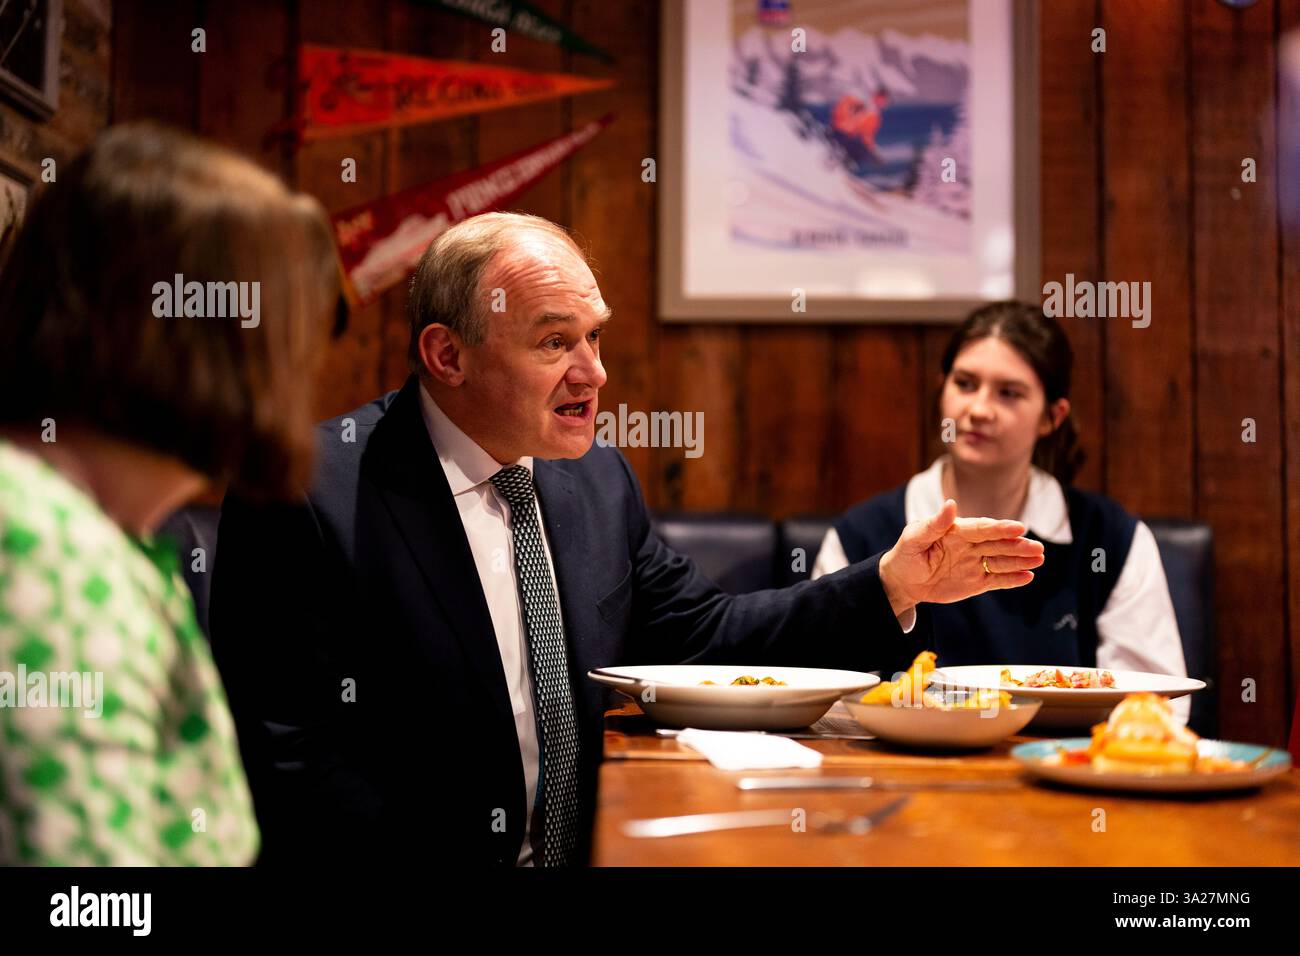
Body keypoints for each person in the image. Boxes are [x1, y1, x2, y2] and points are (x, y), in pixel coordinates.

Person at [209, 212, 1044, 868]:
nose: (594, 373)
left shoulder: (595, 481)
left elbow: (706, 642)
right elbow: (287, 764)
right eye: (554, 342)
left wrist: (892, 584)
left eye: (595, 335)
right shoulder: (309, 489)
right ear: (447, 355)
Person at [0, 123, 339, 864]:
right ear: (206, 344)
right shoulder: (48, 552)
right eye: (294, 333)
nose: (306, 365)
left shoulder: (102, 532)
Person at [814, 301, 1188, 718]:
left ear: (1052, 417)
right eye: (965, 383)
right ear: (942, 388)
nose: (978, 410)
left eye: (1008, 393)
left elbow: (1155, 709)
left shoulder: (1112, 541)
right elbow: (828, 701)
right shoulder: (863, 534)